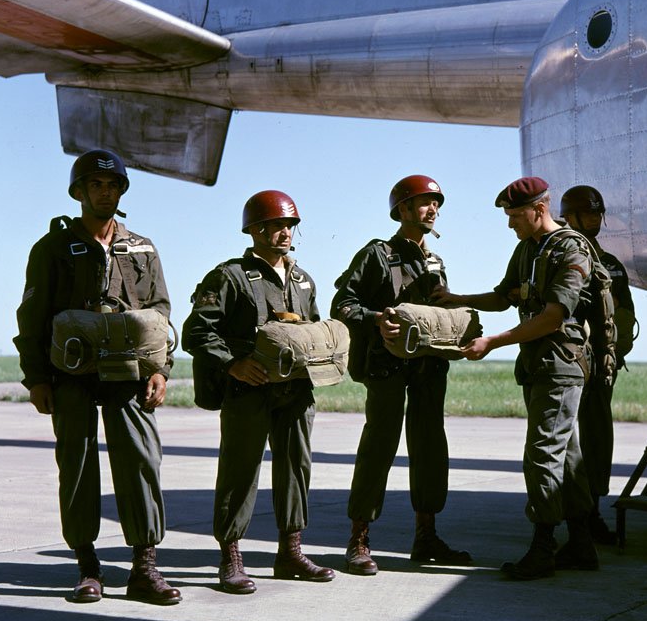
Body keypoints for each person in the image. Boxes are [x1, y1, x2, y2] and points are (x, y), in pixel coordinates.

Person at [14, 149, 181, 605]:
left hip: (130, 372)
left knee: (142, 464)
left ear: (120, 192)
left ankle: (144, 567)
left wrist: (161, 370)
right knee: (79, 465)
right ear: (80, 192)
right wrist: (37, 380)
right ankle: (88, 567)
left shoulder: (142, 248)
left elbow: (161, 313)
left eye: (112, 186)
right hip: (72, 375)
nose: (104, 193)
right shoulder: (51, 249)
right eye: (95, 186)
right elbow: (33, 317)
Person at [434, 176, 596, 580]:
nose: (510, 224)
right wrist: (459, 300)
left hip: (560, 364)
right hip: (540, 366)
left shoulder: (571, 249)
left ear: (539, 210)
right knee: (568, 458)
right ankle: (580, 544)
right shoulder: (528, 250)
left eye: (515, 216)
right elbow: (504, 297)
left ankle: (543, 548)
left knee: (542, 454)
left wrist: (491, 342)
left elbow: (553, 316)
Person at [181, 190, 335, 593]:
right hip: (248, 390)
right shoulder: (229, 276)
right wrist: (234, 363)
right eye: (277, 225)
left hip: (296, 392)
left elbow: (313, 331)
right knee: (240, 471)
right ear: (255, 230)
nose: (285, 233)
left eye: (289, 225)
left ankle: (291, 552)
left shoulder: (304, 280)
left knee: (296, 468)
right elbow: (196, 331)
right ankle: (230, 556)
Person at [331, 175, 471, 575]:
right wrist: (377, 320)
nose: (433, 210)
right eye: (424, 202)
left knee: (430, 447)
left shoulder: (436, 262)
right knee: (379, 446)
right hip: (387, 367)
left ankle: (425, 536)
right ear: (403, 210)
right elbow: (343, 303)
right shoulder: (377, 255)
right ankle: (358, 538)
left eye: (435, 203)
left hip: (428, 367)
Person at [560, 185, 637, 545]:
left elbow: (623, 312)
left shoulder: (610, 264)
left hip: (604, 366)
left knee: (598, 439)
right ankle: (574, 517)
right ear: (570, 216)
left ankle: (592, 511)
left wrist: (616, 352)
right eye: (586, 213)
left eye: (596, 214)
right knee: (569, 444)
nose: (593, 220)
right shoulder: (561, 257)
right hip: (572, 366)